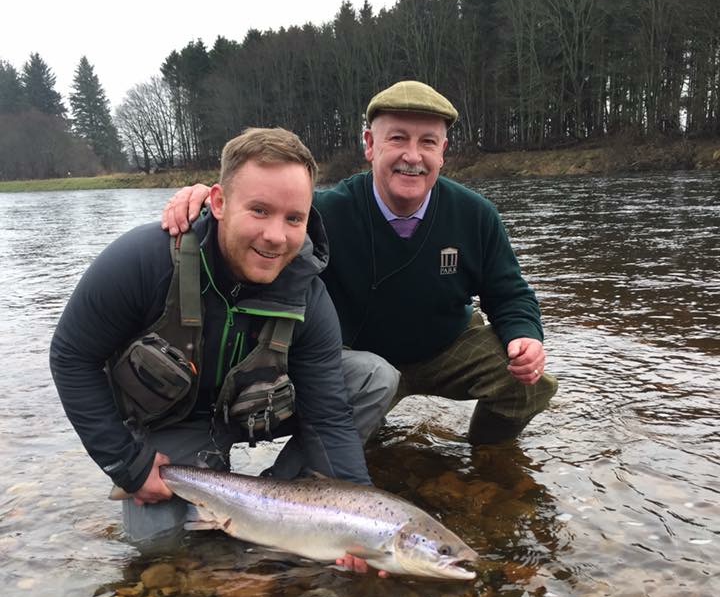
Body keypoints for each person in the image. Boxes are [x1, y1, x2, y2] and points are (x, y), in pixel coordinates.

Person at [163, 81, 558, 450]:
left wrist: (526, 337)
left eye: (427, 142)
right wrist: (205, 204)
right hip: (361, 362)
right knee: (355, 452)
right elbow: (263, 218)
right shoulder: (323, 213)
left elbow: (510, 294)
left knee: (528, 384)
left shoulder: (477, 216)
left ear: (443, 151)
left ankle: (486, 458)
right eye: (398, 138)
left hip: (447, 347)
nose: (412, 156)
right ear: (370, 144)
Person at [50, 127, 376, 548]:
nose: (276, 235)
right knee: (160, 546)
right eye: (259, 210)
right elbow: (71, 357)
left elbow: (328, 417)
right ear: (218, 202)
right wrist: (127, 464)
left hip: (253, 411)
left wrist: (358, 519)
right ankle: (239, 512)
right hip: (174, 424)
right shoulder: (143, 261)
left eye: (293, 218)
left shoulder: (308, 295)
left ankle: (276, 504)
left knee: (372, 377)